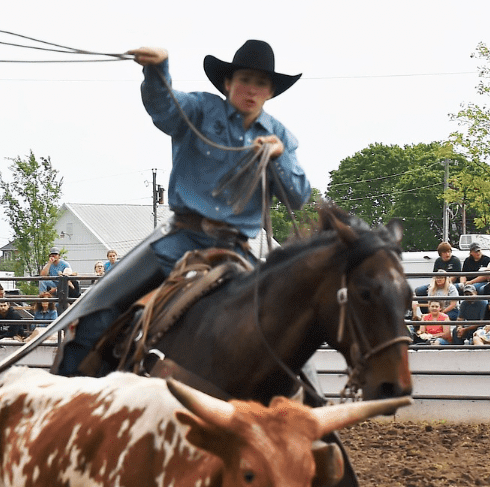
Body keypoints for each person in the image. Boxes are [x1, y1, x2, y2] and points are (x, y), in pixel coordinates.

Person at [55, 39, 310, 376]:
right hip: (181, 241)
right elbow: (164, 107)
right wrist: (157, 68)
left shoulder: (280, 137)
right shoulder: (200, 110)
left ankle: (308, 410)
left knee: (287, 333)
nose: (251, 89)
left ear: (271, 92)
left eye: (261, 83)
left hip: (237, 251)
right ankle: (67, 391)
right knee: (101, 306)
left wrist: (278, 159)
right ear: (228, 83)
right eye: (245, 79)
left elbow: (298, 196)